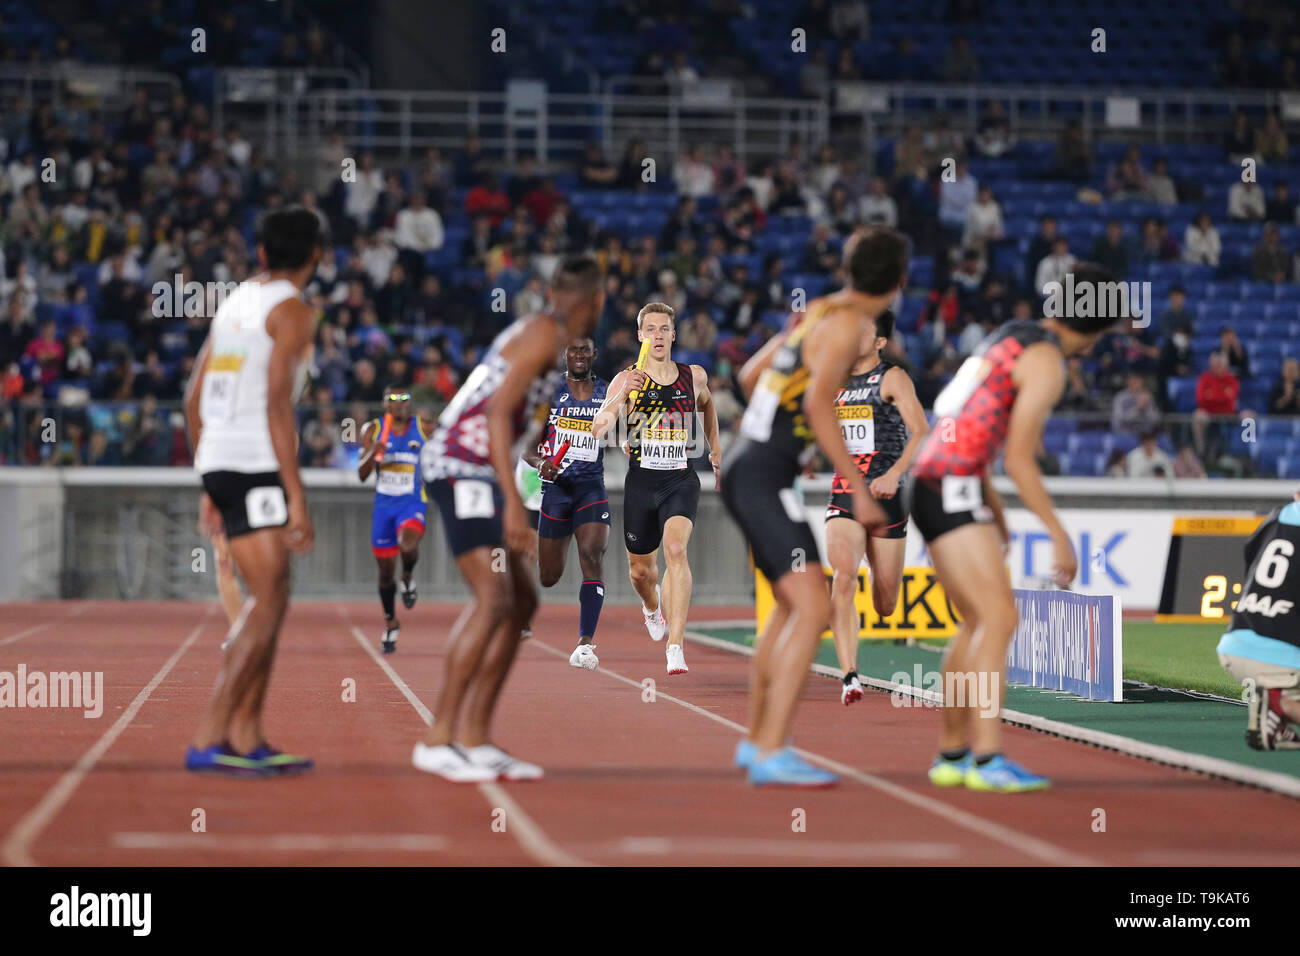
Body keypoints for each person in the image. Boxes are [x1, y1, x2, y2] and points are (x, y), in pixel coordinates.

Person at [908, 263, 1123, 793]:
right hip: (955, 485)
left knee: (977, 622)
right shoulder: (1048, 362)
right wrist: (1058, 534)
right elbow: (1020, 461)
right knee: (999, 619)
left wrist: (997, 515)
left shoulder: (1010, 336)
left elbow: (970, 425)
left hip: (935, 480)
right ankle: (987, 760)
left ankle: (953, 754)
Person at [722, 226, 907, 787]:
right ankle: (772, 748)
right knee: (812, 605)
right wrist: (853, 481)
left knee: (789, 607)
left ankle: (759, 745)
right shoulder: (848, 324)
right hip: (761, 474)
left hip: (751, 465)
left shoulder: (820, 311)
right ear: (899, 282)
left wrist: (781, 435)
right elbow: (815, 405)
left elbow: (752, 375)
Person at [416, 254, 604, 782]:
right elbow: (498, 413)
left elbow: (520, 419)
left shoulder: (548, 339)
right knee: (495, 597)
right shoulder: (547, 334)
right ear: (598, 301)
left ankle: (474, 739)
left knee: (521, 600)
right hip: (461, 465)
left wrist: (547, 455)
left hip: (477, 466)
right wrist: (509, 505)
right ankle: (438, 740)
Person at [184, 206, 322, 776]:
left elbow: (193, 398)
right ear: (315, 257)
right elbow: (273, 403)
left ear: (262, 253)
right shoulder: (293, 310)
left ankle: (248, 735)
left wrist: (206, 479)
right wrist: (296, 495)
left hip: (221, 458)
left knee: (274, 597)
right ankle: (213, 735)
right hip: (254, 461)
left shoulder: (237, 300)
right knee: (267, 602)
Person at [592, 302, 722, 676]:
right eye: (651, 329)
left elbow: (708, 405)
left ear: (674, 334)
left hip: (680, 479)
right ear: (640, 336)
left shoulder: (693, 376)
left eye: (664, 329)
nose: (658, 336)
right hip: (642, 483)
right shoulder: (626, 378)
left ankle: (676, 646)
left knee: (676, 550)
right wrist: (620, 397)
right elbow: (600, 429)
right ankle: (652, 608)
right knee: (641, 574)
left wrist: (715, 449)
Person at [826, 309, 930, 705]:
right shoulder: (834, 379)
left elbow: (921, 431)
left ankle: (874, 560)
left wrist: (895, 473)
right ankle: (850, 676)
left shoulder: (892, 377)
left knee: (886, 605)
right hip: (845, 492)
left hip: (888, 495)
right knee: (843, 577)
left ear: (881, 342)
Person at [520, 338, 611, 670]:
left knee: (592, 554)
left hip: (590, 487)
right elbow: (528, 446)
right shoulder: (550, 393)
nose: (579, 355)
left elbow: (624, 427)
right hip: (556, 491)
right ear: (566, 355)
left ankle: (586, 643)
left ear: (593, 354)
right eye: (573, 350)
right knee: (549, 576)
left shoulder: (606, 391)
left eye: (585, 350)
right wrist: (541, 462)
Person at [1217, 489, 1300, 750]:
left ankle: (1272, 723)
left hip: (1235, 645)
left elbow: (1249, 558)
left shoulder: (1276, 517)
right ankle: (1279, 702)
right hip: (1280, 657)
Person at [357, 387, 430, 653]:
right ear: (384, 403)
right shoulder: (373, 430)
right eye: (394, 400)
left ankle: (408, 576)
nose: (400, 404)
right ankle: (391, 622)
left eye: (405, 400)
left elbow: (446, 439)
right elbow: (362, 475)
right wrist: (373, 451)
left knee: (408, 546)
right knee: (385, 573)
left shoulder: (422, 427)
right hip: (384, 507)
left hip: (411, 503)